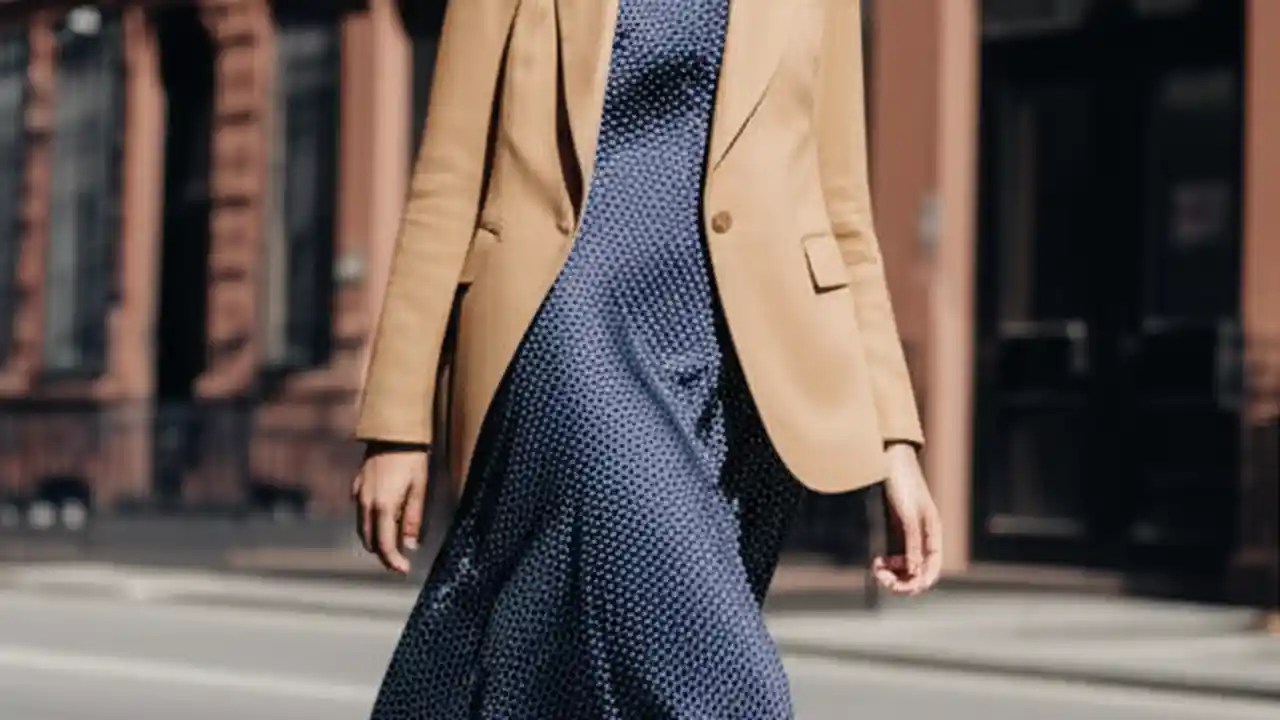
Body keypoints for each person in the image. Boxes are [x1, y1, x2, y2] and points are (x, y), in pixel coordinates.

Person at [351, 0, 943, 716]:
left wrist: (893, 437)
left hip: (740, 366)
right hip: (570, 324)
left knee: (591, 678)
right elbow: (448, 175)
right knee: (723, 684)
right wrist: (396, 422)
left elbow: (840, 206)